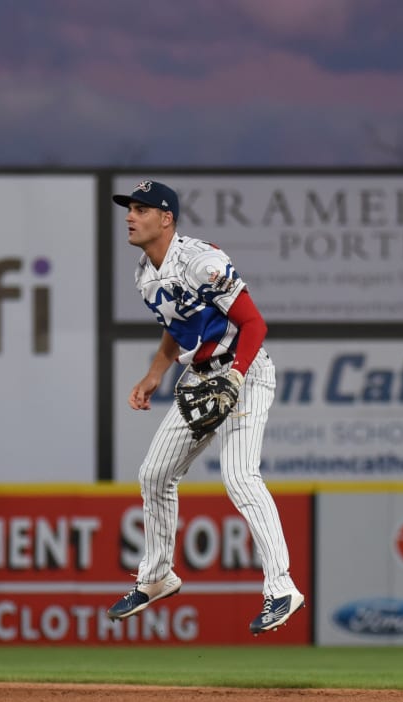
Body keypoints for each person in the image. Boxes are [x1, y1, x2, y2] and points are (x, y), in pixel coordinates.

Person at [106, 179, 305, 636]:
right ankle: (157, 576)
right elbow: (177, 326)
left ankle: (282, 589)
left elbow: (254, 324)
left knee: (240, 476)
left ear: (166, 219)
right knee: (154, 474)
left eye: (141, 209)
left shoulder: (203, 262)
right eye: (128, 209)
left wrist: (235, 377)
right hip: (199, 378)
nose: (130, 217)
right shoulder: (144, 273)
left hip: (244, 371)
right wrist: (155, 373)